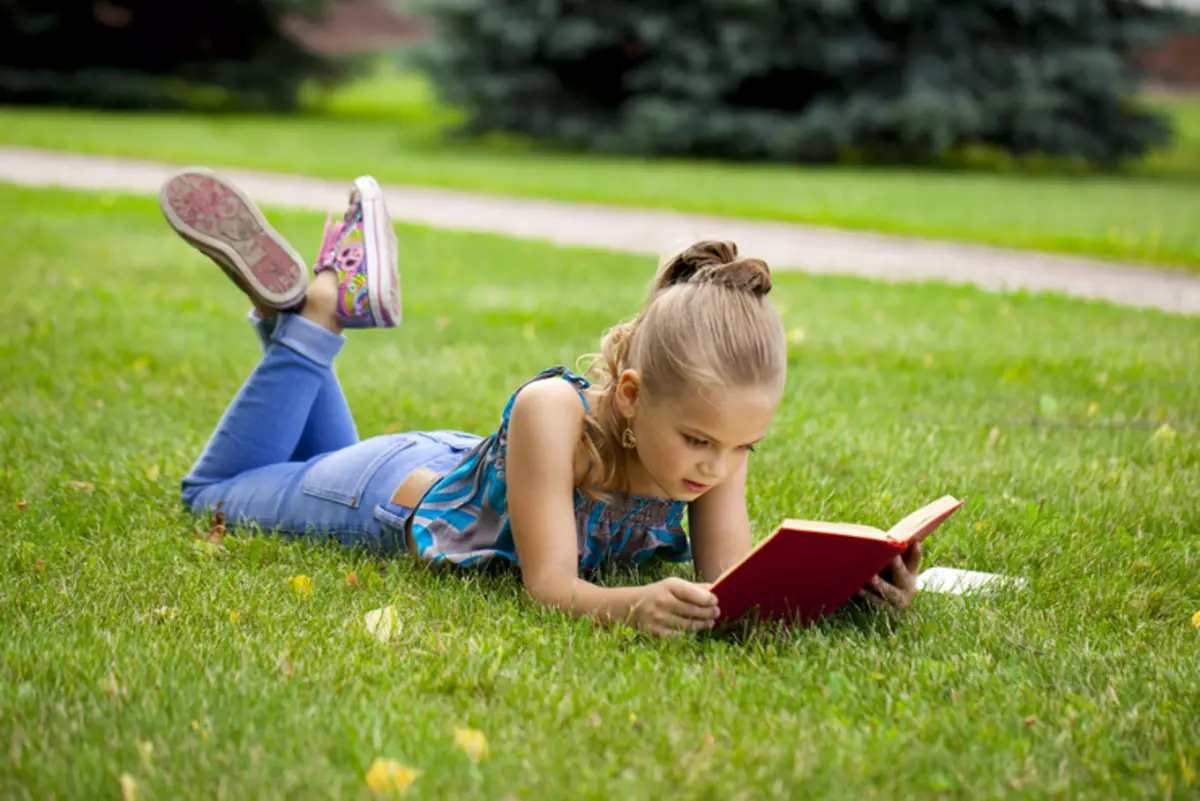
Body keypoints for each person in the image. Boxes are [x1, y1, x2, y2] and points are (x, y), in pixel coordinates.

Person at [160, 168, 922, 638]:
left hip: (455, 470)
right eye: (698, 440)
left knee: (296, 453)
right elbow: (551, 588)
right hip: (382, 497)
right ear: (631, 394)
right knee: (209, 496)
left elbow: (730, 592)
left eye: (741, 447)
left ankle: (301, 312)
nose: (717, 465)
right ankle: (320, 310)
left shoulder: (716, 446)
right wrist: (634, 606)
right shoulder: (551, 411)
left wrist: (856, 589)